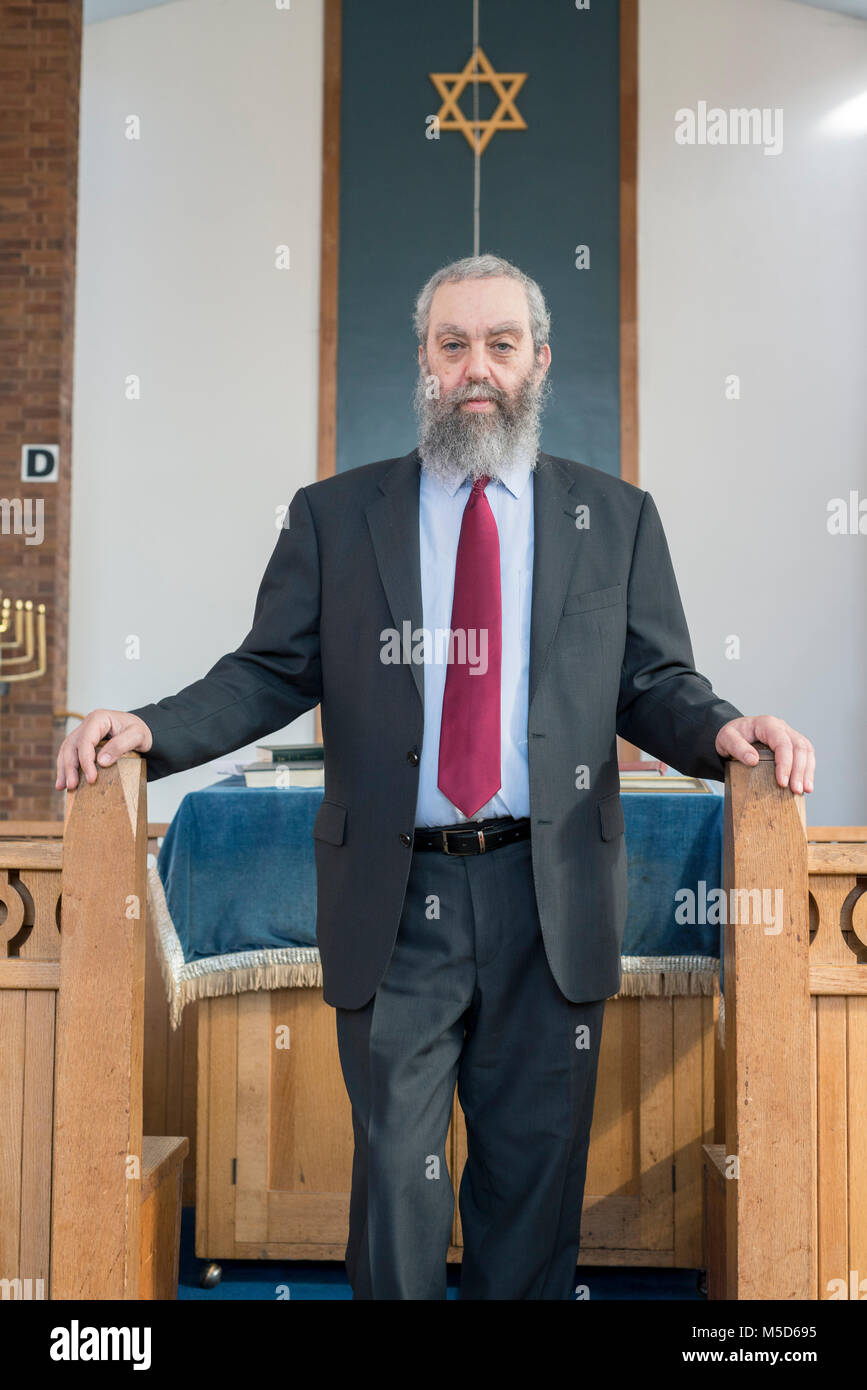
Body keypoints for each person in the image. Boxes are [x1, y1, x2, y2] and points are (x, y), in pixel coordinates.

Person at [56, 254, 815, 1300]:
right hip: (396, 900)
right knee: (399, 1193)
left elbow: (653, 680)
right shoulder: (335, 516)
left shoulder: (616, 517)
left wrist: (730, 729)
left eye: (500, 344)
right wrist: (145, 725)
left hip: (548, 899)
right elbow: (267, 670)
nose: (476, 368)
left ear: (538, 361)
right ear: (423, 363)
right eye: (452, 344)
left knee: (530, 1187)